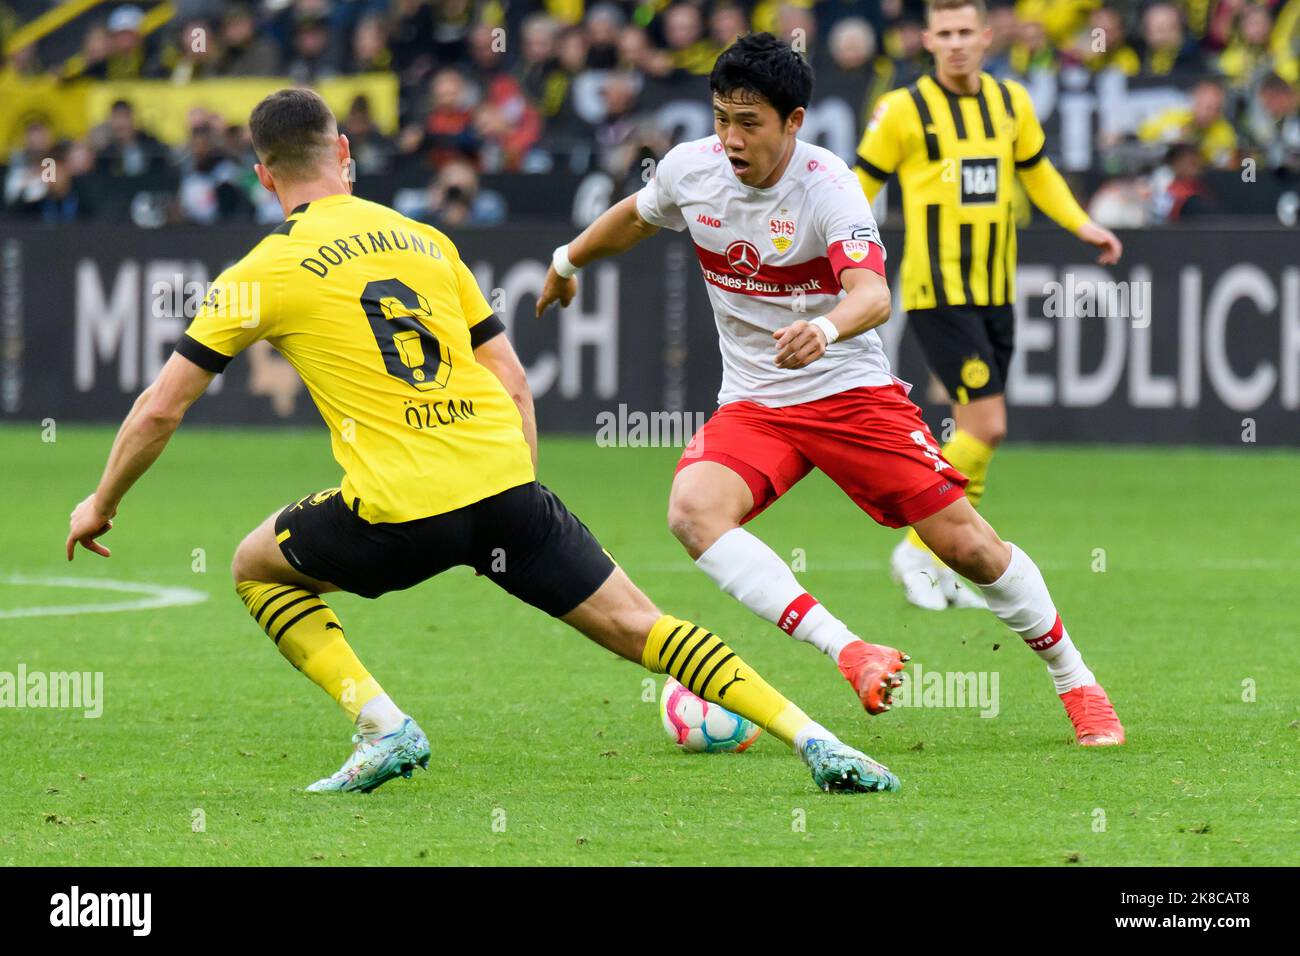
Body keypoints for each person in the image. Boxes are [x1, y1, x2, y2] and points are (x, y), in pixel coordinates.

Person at [64, 88, 898, 796]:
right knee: (641, 626)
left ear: (262, 176)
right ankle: (814, 737)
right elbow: (512, 379)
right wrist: (518, 504)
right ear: (345, 153)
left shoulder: (262, 269)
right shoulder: (425, 239)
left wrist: (101, 503)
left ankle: (383, 726)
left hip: (395, 512)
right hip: (507, 489)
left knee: (253, 565)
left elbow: (160, 409)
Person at [536, 32, 1124, 747]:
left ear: (794, 122)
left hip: (849, 393)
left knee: (967, 547)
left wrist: (826, 327)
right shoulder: (692, 170)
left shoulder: (828, 185)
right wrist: (567, 261)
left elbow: (872, 294)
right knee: (693, 513)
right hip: (756, 404)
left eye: (749, 123)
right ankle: (849, 649)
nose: (730, 137)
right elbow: (635, 215)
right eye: (722, 117)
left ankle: (1076, 679)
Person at [854, 0, 1123, 610]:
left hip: (996, 292)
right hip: (936, 292)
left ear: (985, 37)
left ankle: (947, 559)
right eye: (942, 34)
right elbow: (856, 188)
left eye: (964, 33)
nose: (954, 44)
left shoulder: (1011, 104)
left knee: (977, 432)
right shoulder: (902, 111)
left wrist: (1083, 225)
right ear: (927, 39)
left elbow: (1038, 172)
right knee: (988, 422)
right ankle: (918, 553)